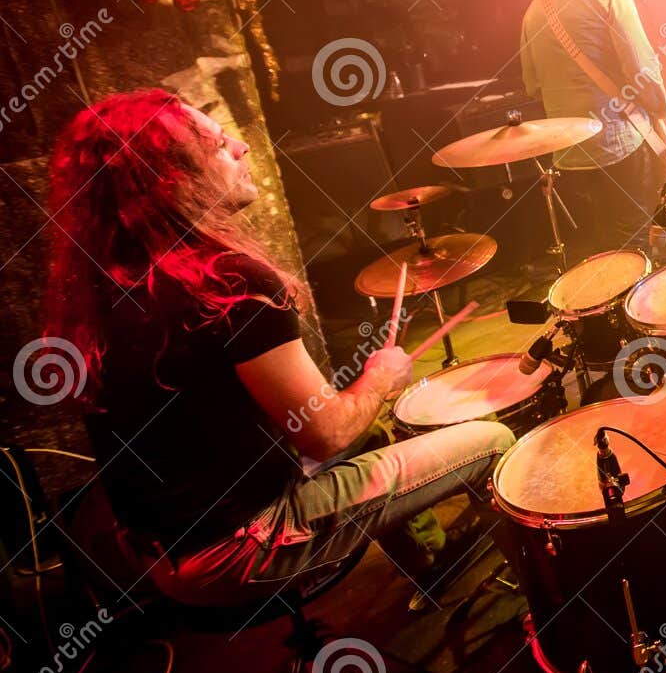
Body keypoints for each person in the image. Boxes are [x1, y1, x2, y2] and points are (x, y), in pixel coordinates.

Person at [43, 89, 513, 608]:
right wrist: (381, 374)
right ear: (174, 179)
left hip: (155, 558)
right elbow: (326, 435)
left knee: (371, 433)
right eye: (218, 144)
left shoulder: (106, 290)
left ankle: (432, 566)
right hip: (239, 547)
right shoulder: (228, 285)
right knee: (492, 440)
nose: (242, 146)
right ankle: (547, 611)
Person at [520, 0, 666, 263]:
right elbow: (642, 71)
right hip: (617, 146)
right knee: (634, 246)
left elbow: (532, 85)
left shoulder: (535, 7)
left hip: (569, 154)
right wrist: (661, 109)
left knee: (597, 254)